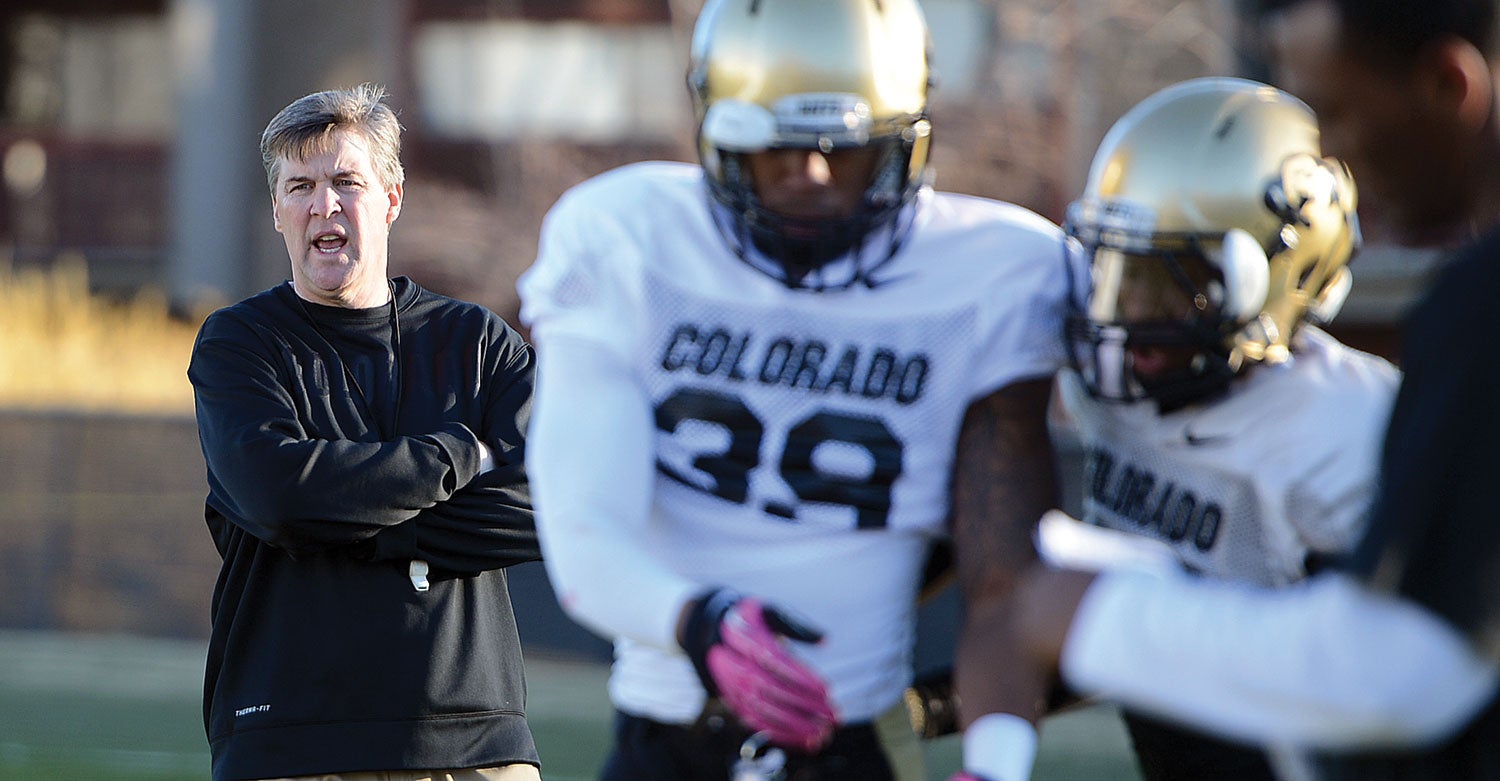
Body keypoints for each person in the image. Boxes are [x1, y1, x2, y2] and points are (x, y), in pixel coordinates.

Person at [516, 1, 1071, 779]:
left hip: (852, 741)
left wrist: (996, 763)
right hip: (666, 735)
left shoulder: (996, 271)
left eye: (841, 153)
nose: (808, 176)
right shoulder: (629, 237)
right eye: (775, 152)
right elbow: (582, 531)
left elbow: (1003, 569)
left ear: (905, 139)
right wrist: (695, 620)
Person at [975, 2, 1500, 779]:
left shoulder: (1358, 418)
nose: (1335, 151)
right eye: (1121, 277)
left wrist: (1099, 612)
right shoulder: (1110, 390)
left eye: (1338, 112)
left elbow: (1393, 670)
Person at [187, 83, 542, 781]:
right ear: (278, 211)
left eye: (347, 181)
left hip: (474, 744)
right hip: (289, 740)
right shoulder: (240, 345)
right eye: (301, 186)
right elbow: (277, 496)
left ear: (391, 198)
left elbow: (549, 506)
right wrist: (452, 454)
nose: (325, 205)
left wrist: (361, 521)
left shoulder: (479, 344)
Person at [1051, 76, 1399, 780]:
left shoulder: (1345, 430)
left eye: (1174, 284)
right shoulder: (1114, 393)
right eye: (1121, 272)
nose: (1130, 316)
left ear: (1277, 277)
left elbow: (1387, 693)